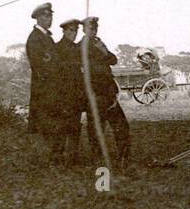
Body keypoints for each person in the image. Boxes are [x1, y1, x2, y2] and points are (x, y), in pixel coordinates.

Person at [80, 16, 131, 165]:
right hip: (95, 93)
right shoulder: (82, 46)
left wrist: (104, 51)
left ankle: (123, 158)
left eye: (95, 28)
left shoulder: (98, 43)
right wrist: (103, 54)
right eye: (90, 28)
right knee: (96, 129)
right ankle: (97, 160)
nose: (94, 31)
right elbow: (96, 65)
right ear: (84, 29)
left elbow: (113, 60)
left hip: (108, 92)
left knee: (121, 126)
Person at [50, 19, 86, 164]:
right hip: (63, 94)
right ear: (64, 31)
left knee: (75, 125)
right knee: (61, 127)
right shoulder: (57, 48)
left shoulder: (77, 48)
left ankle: (73, 157)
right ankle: (56, 158)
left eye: (76, 30)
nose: (74, 33)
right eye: (71, 30)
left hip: (76, 93)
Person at [25, 2, 56, 136]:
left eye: (50, 16)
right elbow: (39, 68)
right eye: (45, 16)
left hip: (51, 92)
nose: (49, 19)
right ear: (37, 18)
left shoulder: (47, 37)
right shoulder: (35, 39)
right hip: (44, 93)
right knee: (46, 131)